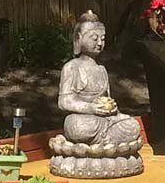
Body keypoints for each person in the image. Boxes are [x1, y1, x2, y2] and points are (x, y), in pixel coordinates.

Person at [58, 11, 141, 146]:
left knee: (132, 126)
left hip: (105, 119)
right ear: (79, 38)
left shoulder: (101, 69)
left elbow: (106, 97)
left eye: (102, 39)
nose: (99, 43)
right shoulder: (71, 67)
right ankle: (108, 144)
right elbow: (64, 101)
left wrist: (113, 109)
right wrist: (90, 108)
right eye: (94, 38)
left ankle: (101, 143)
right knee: (77, 127)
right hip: (84, 118)